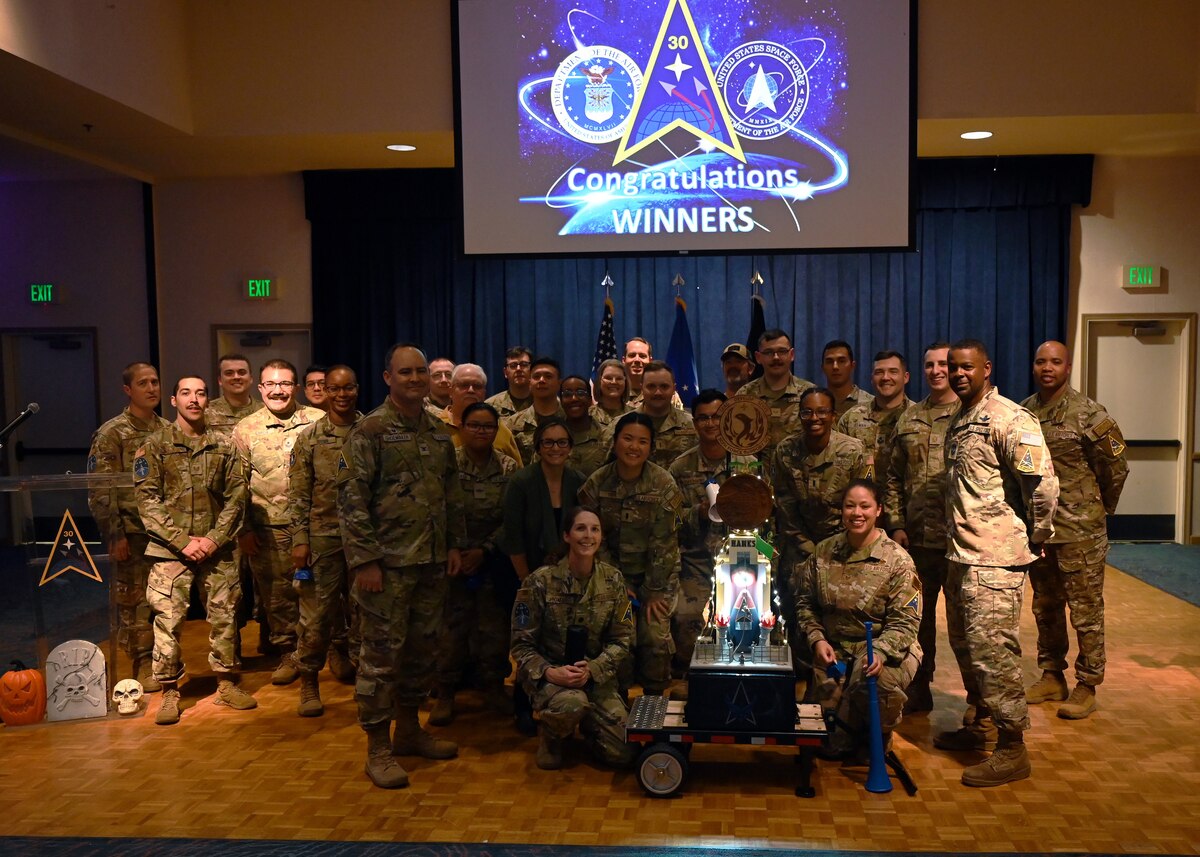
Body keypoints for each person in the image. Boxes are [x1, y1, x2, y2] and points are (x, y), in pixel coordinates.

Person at [338, 343, 467, 789]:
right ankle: (378, 748)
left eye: (420, 373)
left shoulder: (437, 432)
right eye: (405, 372)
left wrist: (453, 545)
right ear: (388, 377)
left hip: (431, 564)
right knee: (380, 659)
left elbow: (451, 496)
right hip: (386, 569)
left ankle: (409, 729)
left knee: (422, 653)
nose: (414, 379)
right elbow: (351, 502)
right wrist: (366, 561)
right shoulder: (368, 431)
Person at [935, 339, 1058, 788]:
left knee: (994, 652)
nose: (958, 374)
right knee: (967, 648)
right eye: (953, 367)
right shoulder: (961, 418)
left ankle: (1012, 748)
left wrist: (1039, 534)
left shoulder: (1009, 417)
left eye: (967, 367)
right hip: (962, 555)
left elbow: (1042, 485)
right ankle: (981, 725)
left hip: (994, 560)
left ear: (987, 367)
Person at [134, 375, 255, 725]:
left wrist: (213, 539)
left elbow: (237, 497)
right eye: (186, 393)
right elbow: (148, 501)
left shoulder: (224, 445)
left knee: (225, 617)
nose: (194, 399)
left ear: (207, 400)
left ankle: (227, 683)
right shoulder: (154, 446)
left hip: (216, 548)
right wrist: (182, 541)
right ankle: (170, 688)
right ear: (173, 400)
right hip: (170, 550)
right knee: (167, 621)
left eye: (201, 393)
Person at [1021, 340, 1127, 720]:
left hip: (1081, 531)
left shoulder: (1089, 414)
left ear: (1067, 367)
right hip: (1041, 532)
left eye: (1055, 362)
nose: (1047, 368)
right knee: (1045, 608)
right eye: (1040, 362)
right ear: (1033, 367)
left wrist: (1098, 510)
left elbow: (1115, 468)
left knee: (1085, 611)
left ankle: (1087, 683)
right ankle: (1052, 675)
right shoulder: (1025, 413)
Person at [794, 479, 922, 761]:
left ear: (879, 510)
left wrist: (882, 651)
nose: (857, 513)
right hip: (835, 652)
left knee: (872, 684)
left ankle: (879, 731)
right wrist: (817, 638)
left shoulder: (898, 561)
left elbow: (906, 623)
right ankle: (850, 722)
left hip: (880, 650)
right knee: (825, 744)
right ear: (841, 511)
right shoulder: (824, 552)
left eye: (865, 506)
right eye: (850, 506)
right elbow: (805, 603)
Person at [510, 506, 637, 770]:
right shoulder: (539, 583)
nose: (588, 536)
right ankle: (553, 735)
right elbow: (521, 645)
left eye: (595, 529)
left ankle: (591, 727)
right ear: (567, 536)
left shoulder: (613, 581)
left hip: (596, 678)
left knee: (625, 753)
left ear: (601, 537)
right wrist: (549, 673)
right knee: (571, 704)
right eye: (580, 528)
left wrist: (593, 668)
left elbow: (623, 639)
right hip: (553, 680)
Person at [231, 359, 324, 683]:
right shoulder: (246, 429)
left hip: (315, 527)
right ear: (260, 388)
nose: (278, 390)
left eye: (284, 384)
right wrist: (243, 529)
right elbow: (236, 484)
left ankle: (327, 651)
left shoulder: (317, 421)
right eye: (270, 384)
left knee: (320, 593)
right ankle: (288, 654)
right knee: (277, 597)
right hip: (268, 528)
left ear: (296, 388)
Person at [579, 412, 684, 696]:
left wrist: (652, 591)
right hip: (611, 577)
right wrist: (618, 584)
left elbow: (664, 545)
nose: (633, 447)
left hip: (656, 578)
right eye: (627, 439)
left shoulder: (663, 484)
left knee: (654, 635)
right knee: (618, 634)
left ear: (651, 447)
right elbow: (592, 540)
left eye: (642, 441)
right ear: (614, 443)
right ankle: (618, 697)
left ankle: (654, 698)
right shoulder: (597, 483)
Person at [429, 402, 520, 726]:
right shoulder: (447, 463)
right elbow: (437, 510)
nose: (481, 431)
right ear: (462, 429)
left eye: (488, 426)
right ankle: (445, 693)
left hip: (492, 560)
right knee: (451, 632)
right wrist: (456, 549)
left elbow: (512, 519)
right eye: (475, 425)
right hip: (451, 561)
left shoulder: (508, 468)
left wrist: (484, 550)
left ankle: (494, 687)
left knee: (494, 629)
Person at [884, 342, 961, 713]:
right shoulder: (910, 418)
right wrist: (896, 524)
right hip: (917, 540)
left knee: (965, 624)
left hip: (962, 542)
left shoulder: (971, 413)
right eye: (929, 365)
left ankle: (977, 699)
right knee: (919, 619)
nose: (936, 371)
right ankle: (921, 684)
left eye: (943, 364)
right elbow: (894, 478)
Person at [501, 416, 589, 735]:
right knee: (528, 638)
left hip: (564, 576)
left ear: (570, 447)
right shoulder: (522, 482)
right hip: (523, 573)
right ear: (538, 447)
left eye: (561, 442)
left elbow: (582, 533)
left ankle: (559, 700)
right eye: (548, 442)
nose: (555, 448)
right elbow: (512, 537)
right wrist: (527, 584)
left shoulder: (578, 480)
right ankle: (523, 706)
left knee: (557, 637)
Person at [87, 362, 171, 691]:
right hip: (132, 533)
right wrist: (114, 533)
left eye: (155, 382)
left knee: (163, 599)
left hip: (163, 532)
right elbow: (100, 488)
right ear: (128, 390)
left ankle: (166, 657)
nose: (151, 388)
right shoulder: (112, 433)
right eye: (142, 383)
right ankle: (142, 662)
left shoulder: (167, 429)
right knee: (134, 601)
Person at [771, 386, 869, 665]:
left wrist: (834, 548)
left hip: (843, 542)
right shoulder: (786, 451)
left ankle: (842, 668)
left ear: (833, 415)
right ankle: (801, 669)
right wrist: (807, 547)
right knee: (794, 593)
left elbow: (859, 506)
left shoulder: (852, 451)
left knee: (843, 603)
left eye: (822, 411)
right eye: (807, 412)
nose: (815, 418)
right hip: (799, 542)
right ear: (799, 416)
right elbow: (785, 506)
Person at [288, 365, 362, 717]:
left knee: (366, 617)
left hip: (365, 542)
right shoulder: (310, 437)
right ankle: (309, 682)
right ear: (325, 392)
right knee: (317, 619)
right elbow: (299, 493)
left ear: (357, 389)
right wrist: (300, 540)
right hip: (323, 540)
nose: (342, 395)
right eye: (335, 389)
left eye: (348, 388)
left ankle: (368, 683)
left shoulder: (371, 432)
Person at [667, 389, 758, 675]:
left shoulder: (748, 463)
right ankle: (692, 681)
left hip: (741, 560)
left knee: (750, 623)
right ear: (694, 423)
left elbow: (768, 513)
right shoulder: (680, 467)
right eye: (703, 418)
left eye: (717, 417)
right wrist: (699, 510)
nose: (710, 423)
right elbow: (670, 520)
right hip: (695, 563)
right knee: (686, 621)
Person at [837, 350, 912, 485]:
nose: (885, 377)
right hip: (860, 503)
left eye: (893, 372)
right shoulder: (851, 418)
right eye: (879, 372)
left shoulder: (916, 417)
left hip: (902, 503)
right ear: (872, 378)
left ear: (906, 377)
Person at [739, 329, 816, 458]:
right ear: (758, 357)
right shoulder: (745, 394)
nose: (776, 357)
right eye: (768, 352)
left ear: (792, 355)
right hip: (755, 473)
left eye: (782, 351)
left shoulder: (810, 393)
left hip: (798, 473)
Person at [437, 363, 523, 465]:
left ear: (484, 393)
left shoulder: (499, 429)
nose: (471, 390)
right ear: (451, 391)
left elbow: (516, 474)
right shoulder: (435, 426)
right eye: (464, 385)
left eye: (477, 386)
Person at [620, 360, 696, 469]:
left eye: (664, 387)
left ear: (674, 389)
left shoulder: (692, 425)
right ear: (642, 388)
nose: (658, 393)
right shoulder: (622, 425)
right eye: (651, 386)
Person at [504, 356, 566, 464]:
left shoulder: (571, 419)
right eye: (536, 376)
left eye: (548, 376)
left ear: (559, 384)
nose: (542, 380)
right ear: (529, 383)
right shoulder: (512, 424)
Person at [560, 374, 608, 477]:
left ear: (590, 399)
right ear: (561, 401)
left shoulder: (607, 436)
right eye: (567, 394)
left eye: (580, 393)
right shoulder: (551, 436)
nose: (574, 398)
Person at [205, 353, 262, 437]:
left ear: (251, 379)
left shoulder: (265, 411)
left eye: (242, 372)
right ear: (220, 380)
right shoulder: (206, 413)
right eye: (229, 373)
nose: (236, 377)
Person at [821, 340, 873, 418]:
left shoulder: (871, 403)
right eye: (829, 362)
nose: (835, 367)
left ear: (852, 366)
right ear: (823, 368)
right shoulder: (816, 403)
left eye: (841, 361)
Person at [485, 346, 534, 418]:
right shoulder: (491, 406)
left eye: (524, 364)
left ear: (532, 370)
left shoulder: (544, 403)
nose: (518, 369)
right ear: (505, 372)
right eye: (513, 365)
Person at [591, 358, 629, 424]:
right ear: (599, 381)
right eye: (608, 378)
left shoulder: (636, 415)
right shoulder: (587, 415)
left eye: (619, 378)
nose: (614, 382)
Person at [623, 337, 652, 404]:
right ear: (624, 360)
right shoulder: (613, 393)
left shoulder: (664, 394)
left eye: (642, 356)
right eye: (632, 355)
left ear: (650, 361)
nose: (637, 360)